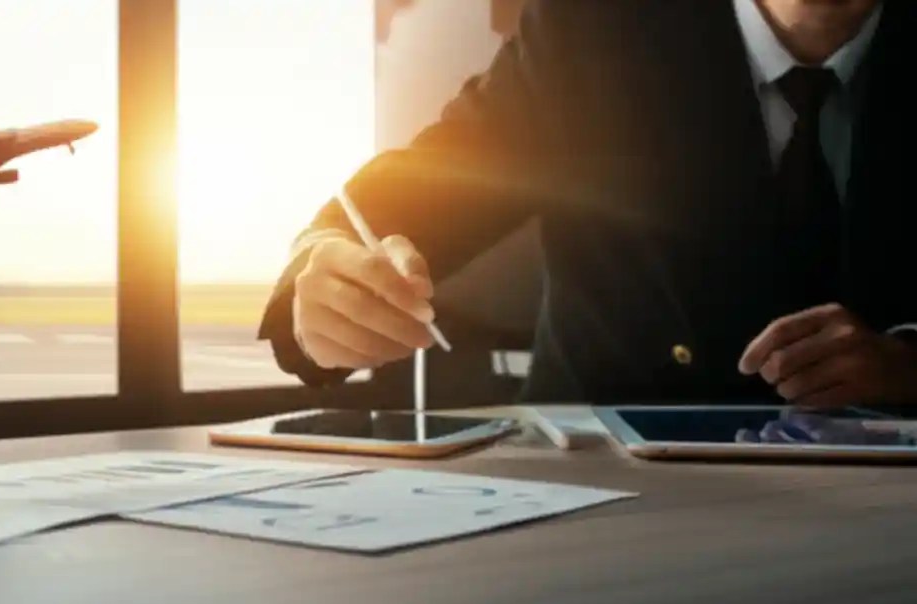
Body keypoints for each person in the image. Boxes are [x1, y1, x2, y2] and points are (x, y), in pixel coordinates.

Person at [258, 0, 917, 407]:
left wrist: (908, 370)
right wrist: (320, 283)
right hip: (605, 490)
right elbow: (402, 203)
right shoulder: (596, 30)